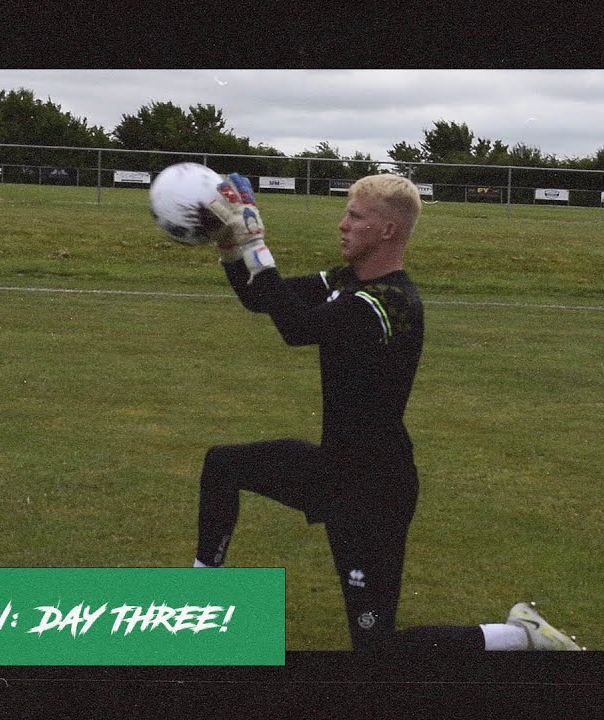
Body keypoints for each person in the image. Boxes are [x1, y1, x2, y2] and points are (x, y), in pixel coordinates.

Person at [192, 171, 583, 652]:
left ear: (387, 230)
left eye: (354, 216)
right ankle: (200, 600)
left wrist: (256, 244)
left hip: (376, 490)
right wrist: (233, 250)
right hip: (332, 468)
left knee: (376, 648)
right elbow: (262, 299)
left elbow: (296, 327)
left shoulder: (389, 302)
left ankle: (517, 635)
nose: (342, 225)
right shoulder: (345, 281)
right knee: (223, 465)